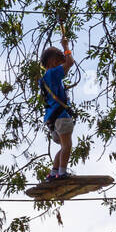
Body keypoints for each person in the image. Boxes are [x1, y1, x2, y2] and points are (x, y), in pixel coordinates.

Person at [39, 39, 77, 180]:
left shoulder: (44, 79)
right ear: (52, 62)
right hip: (60, 116)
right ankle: (62, 173)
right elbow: (70, 63)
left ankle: (54, 173)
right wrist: (66, 46)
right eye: (58, 59)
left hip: (51, 120)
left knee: (63, 147)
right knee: (67, 146)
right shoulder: (52, 74)